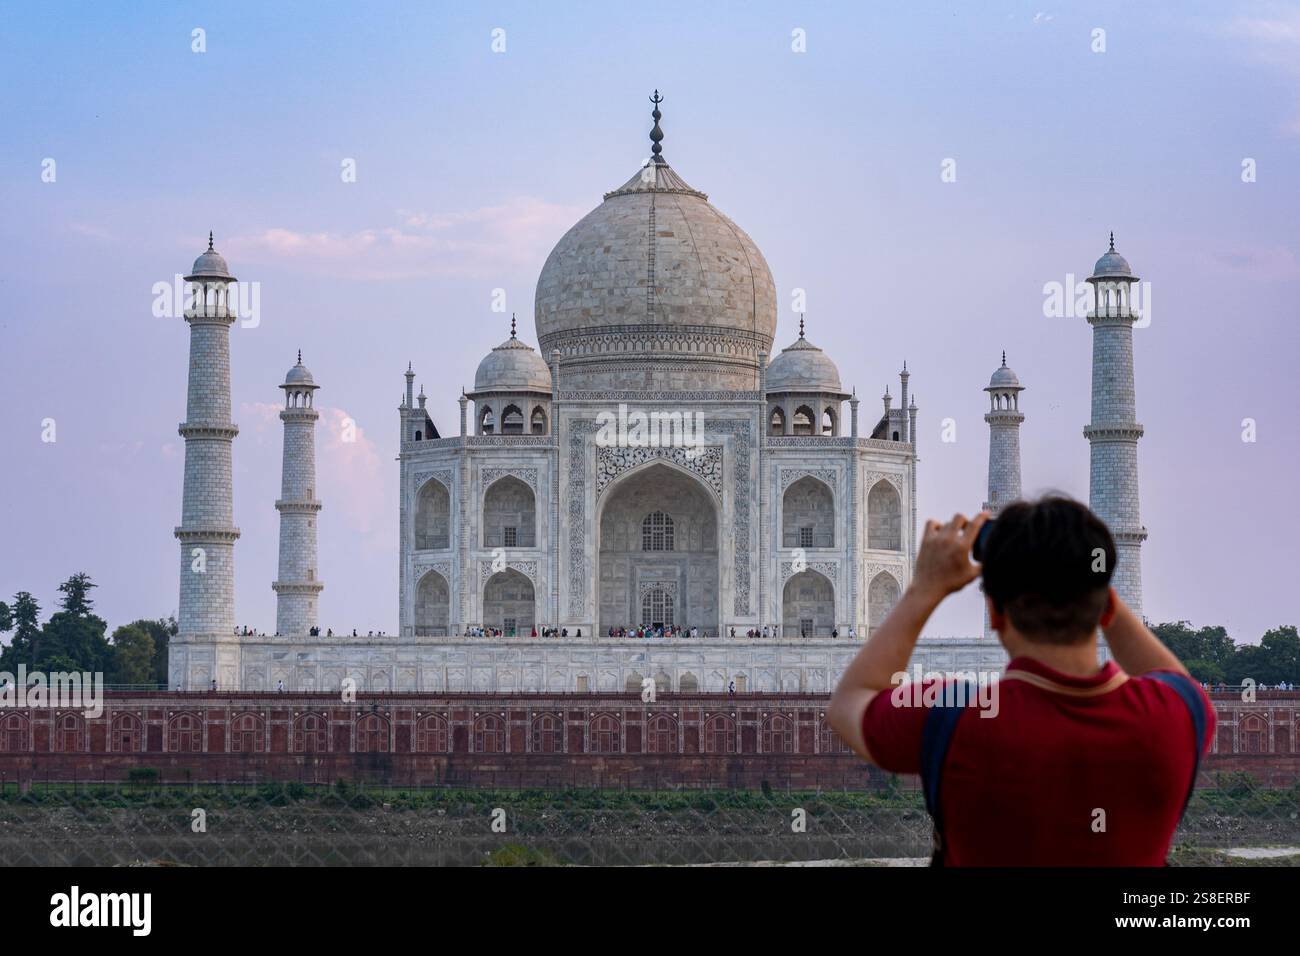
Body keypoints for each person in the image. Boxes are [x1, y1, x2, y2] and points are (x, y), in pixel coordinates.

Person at [828, 497, 1214, 867]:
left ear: (995, 613)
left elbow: (850, 702)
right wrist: (1083, 574)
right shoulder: (1176, 715)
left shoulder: (951, 714)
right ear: (1108, 606)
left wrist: (924, 589)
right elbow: (1171, 677)